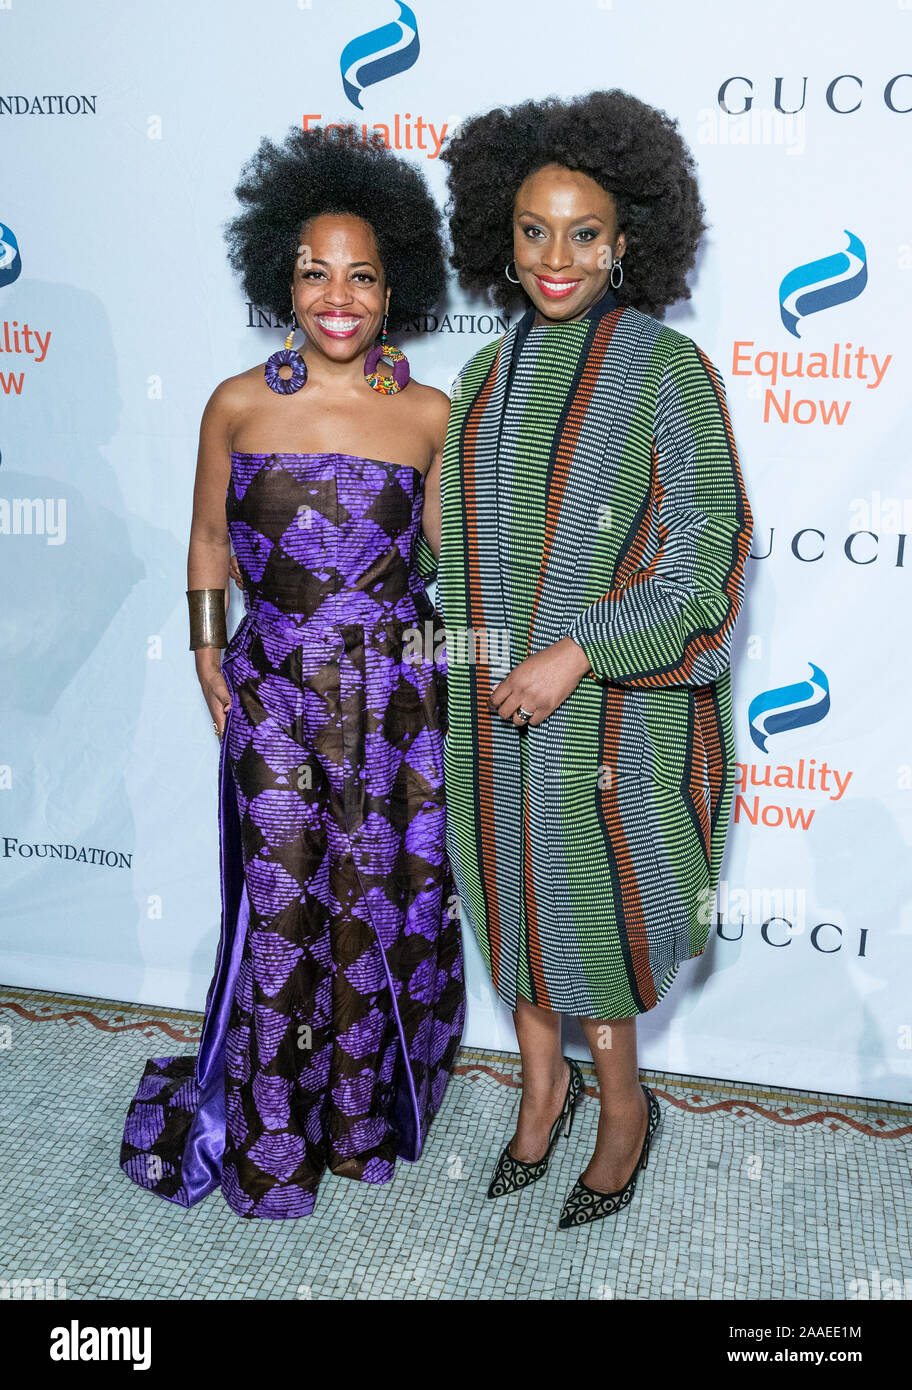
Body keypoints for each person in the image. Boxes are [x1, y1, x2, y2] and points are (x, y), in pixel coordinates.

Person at [419, 90, 753, 1229]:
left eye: (584, 232)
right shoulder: (482, 379)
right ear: (497, 237)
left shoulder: (667, 368)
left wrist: (578, 652)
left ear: (628, 242)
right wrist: (426, 653)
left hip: (610, 725)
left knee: (591, 916)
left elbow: (705, 569)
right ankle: (540, 1088)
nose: (556, 257)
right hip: (492, 723)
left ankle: (623, 1109)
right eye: (531, 229)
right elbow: (458, 574)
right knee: (510, 909)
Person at [119, 125, 466, 1219]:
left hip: (392, 707)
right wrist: (206, 653)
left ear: (392, 284)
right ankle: (270, 1134)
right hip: (269, 691)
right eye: (315, 270)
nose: (337, 294)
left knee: (373, 902)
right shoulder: (235, 402)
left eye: (361, 273)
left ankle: (358, 1118)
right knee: (279, 904)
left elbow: (456, 571)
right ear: (283, 275)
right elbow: (209, 544)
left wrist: (460, 666)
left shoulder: (427, 414)